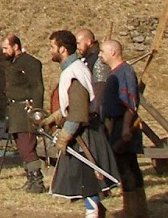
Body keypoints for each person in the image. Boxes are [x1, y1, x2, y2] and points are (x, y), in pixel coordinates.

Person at [45, 29, 120, 217]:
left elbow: (78, 112)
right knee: (87, 184)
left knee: (88, 184)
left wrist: (65, 135)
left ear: (63, 50)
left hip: (84, 136)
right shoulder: (75, 68)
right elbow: (75, 103)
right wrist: (56, 116)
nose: (50, 51)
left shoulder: (74, 72)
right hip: (83, 131)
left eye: (52, 47)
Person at [100, 39, 147, 218]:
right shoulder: (115, 72)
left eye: (102, 51)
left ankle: (136, 211)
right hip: (116, 124)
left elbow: (130, 104)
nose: (100, 55)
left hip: (123, 125)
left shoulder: (124, 72)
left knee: (129, 168)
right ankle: (132, 209)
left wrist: (126, 129)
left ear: (113, 52)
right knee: (124, 168)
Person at [1, 32, 48, 194]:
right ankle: (30, 178)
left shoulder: (29, 62)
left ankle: (37, 181)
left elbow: (37, 87)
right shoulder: (13, 63)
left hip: (25, 111)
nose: (3, 51)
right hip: (15, 111)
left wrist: (36, 111)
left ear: (16, 47)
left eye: (6, 48)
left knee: (27, 147)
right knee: (22, 147)